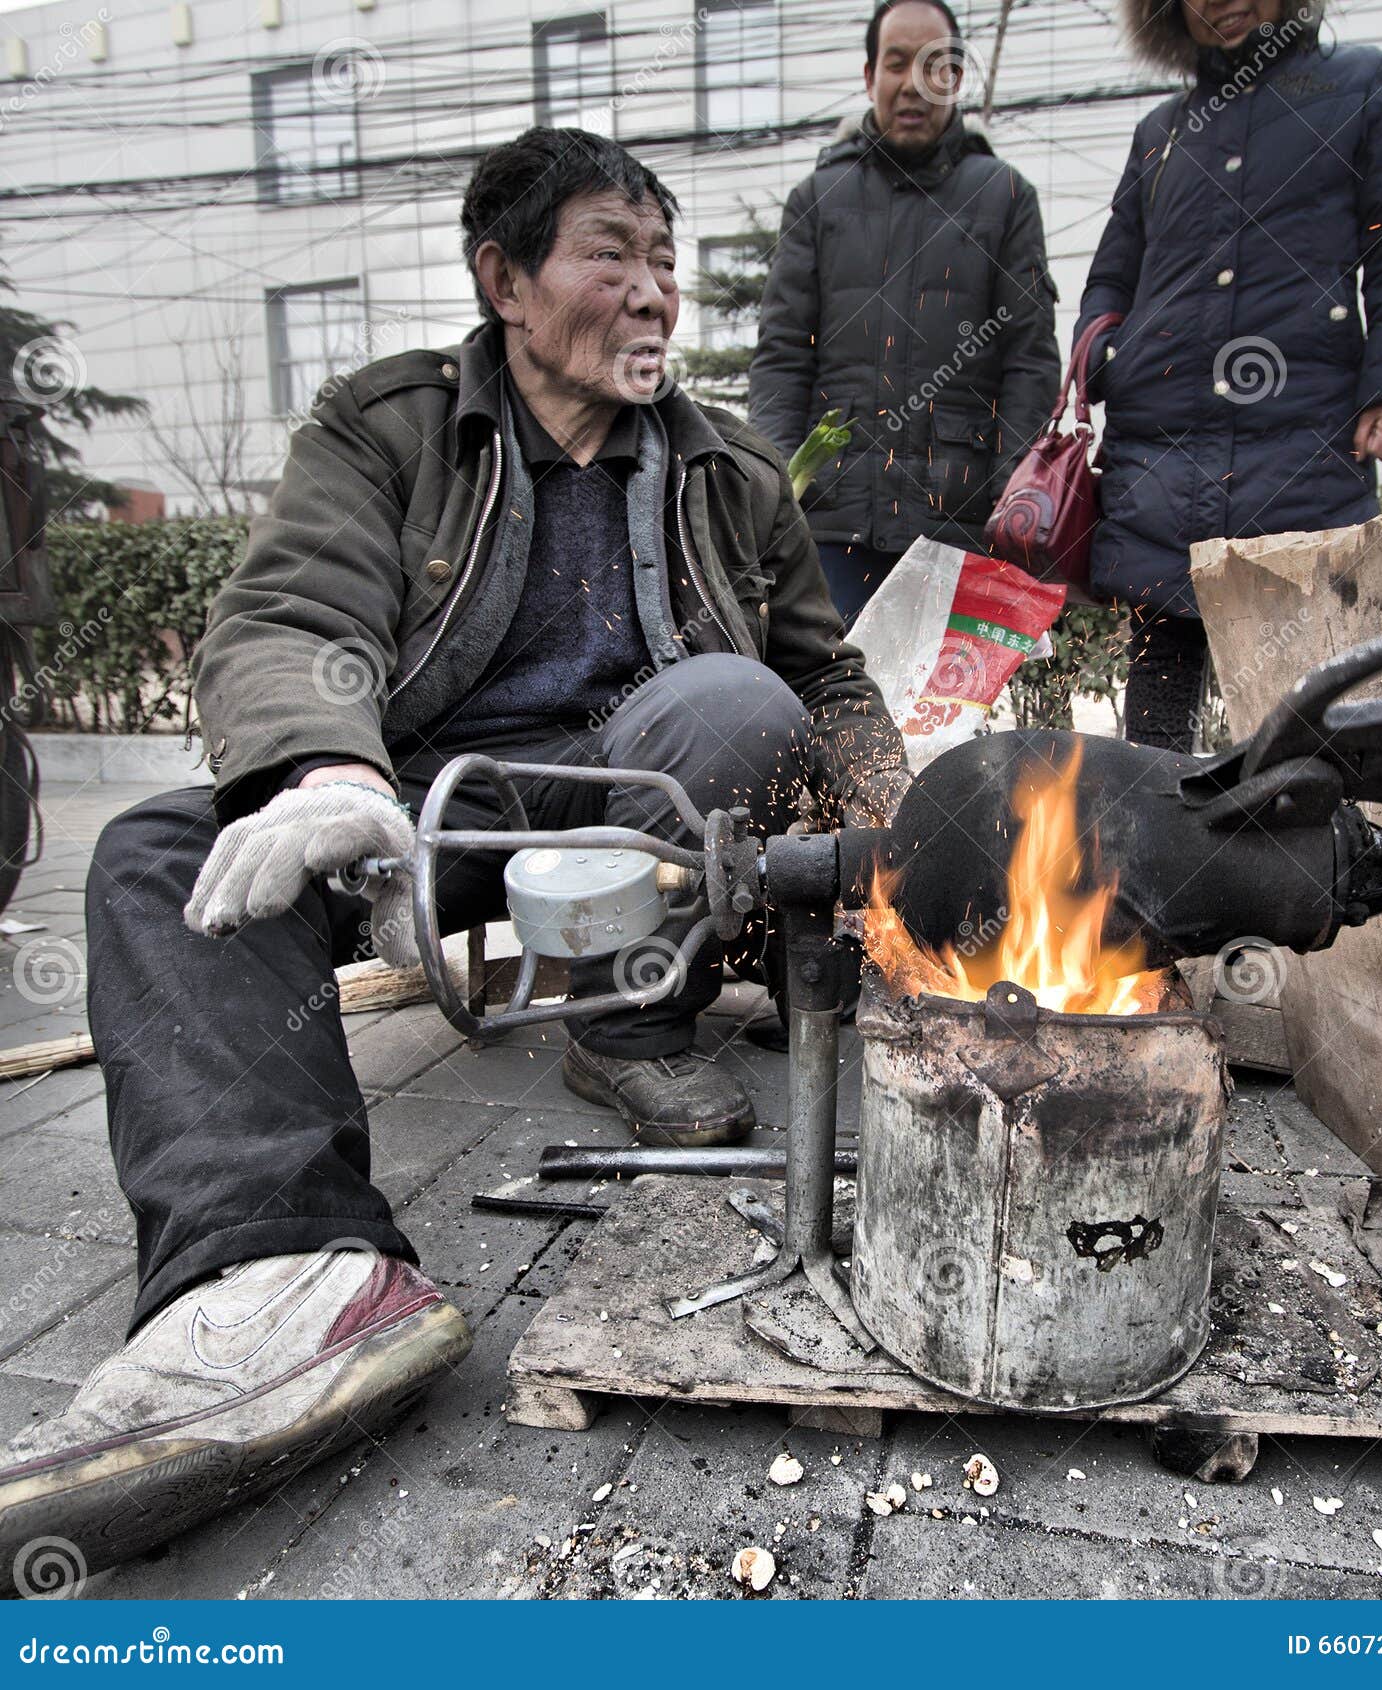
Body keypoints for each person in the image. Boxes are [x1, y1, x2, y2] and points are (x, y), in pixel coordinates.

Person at [0, 127, 907, 1584]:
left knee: (738, 703)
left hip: (635, 808)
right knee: (164, 852)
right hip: (425, 809)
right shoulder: (394, 427)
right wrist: (332, 774)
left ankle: (627, 1022)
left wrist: (895, 815)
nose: (652, 292)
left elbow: (829, 676)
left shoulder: (729, 465)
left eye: (664, 262)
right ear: (504, 280)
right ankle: (281, 1267)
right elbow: (289, 617)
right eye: (610, 255)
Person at [1079, 0, 1382, 751]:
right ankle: (1150, 831)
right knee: (1153, 729)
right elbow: (1113, 273)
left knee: (1303, 706)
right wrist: (1105, 357)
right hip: (1159, 452)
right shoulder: (1160, 132)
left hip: (1304, 440)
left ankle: (1303, 834)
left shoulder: (1363, 86)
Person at [749, 0, 1061, 624]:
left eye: (934, 66)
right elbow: (782, 357)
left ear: (957, 79)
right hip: (832, 525)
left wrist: (1010, 502)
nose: (913, 84)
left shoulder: (1004, 197)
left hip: (961, 524)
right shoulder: (818, 200)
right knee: (831, 683)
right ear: (870, 77)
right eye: (897, 64)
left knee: (953, 692)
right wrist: (781, 490)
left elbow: (1029, 362)